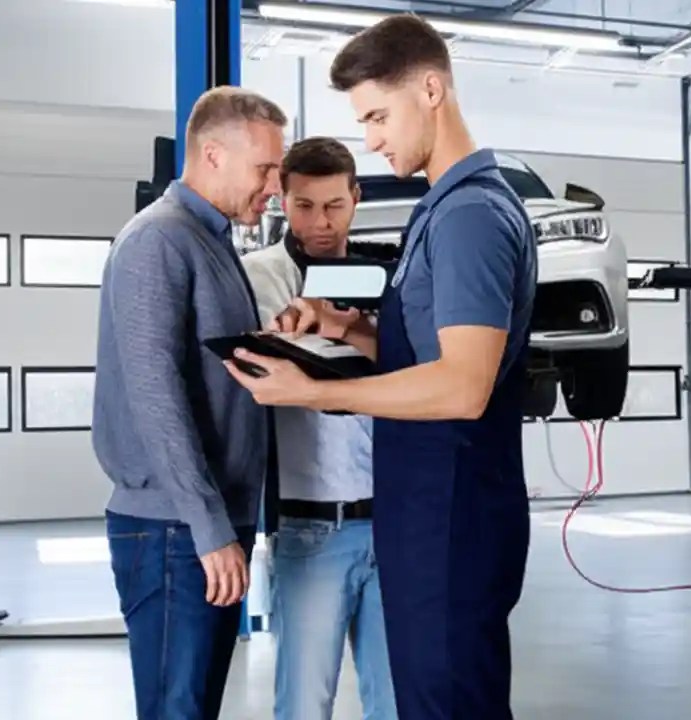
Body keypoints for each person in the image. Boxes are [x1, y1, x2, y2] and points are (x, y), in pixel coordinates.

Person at [221, 15, 537, 720]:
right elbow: (426, 349)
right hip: (431, 511)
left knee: (445, 702)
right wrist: (345, 326)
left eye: (377, 115)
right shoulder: (443, 210)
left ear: (431, 90)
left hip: (449, 516)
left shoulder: (468, 218)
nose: (371, 139)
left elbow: (462, 383)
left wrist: (315, 388)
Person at [91, 85, 286, 720]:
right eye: (264, 169)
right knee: (177, 709)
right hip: (174, 529)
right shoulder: (159, 241)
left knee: (196, 705)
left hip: (203, 524)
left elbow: (210, 369)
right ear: (212, 155)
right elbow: (156, 395)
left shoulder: (214, 242)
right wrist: (209, 528)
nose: (274, 187)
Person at [240, 137, 398, 720]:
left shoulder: (383, 278)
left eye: (334, 205)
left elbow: (411, 370)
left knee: (396, 700)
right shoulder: (260, 275)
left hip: (393, 521)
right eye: (304, 205)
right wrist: (361, 341)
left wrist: (346, 334)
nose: (321, 222)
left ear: (355, 199)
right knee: (305, 704)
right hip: (310, 527)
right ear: (283, 200)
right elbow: (282, 364)